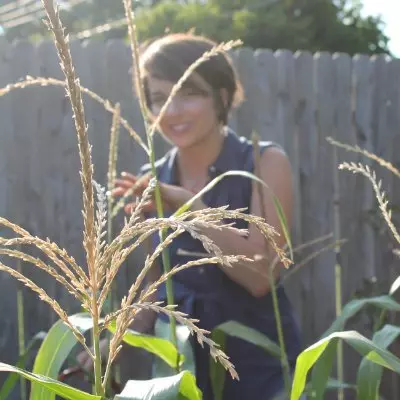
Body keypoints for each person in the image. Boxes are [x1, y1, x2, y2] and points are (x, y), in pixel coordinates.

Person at [80, 33, 302, 399]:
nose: (172, 110)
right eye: (158, 99)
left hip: (259, 373)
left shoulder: (263, 163)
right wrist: (111, 346)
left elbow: (262, 276)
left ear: (222, 96)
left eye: (189, 93)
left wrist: (190, 210)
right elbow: (156, 284)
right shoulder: (155, 176)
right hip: (178, 375)